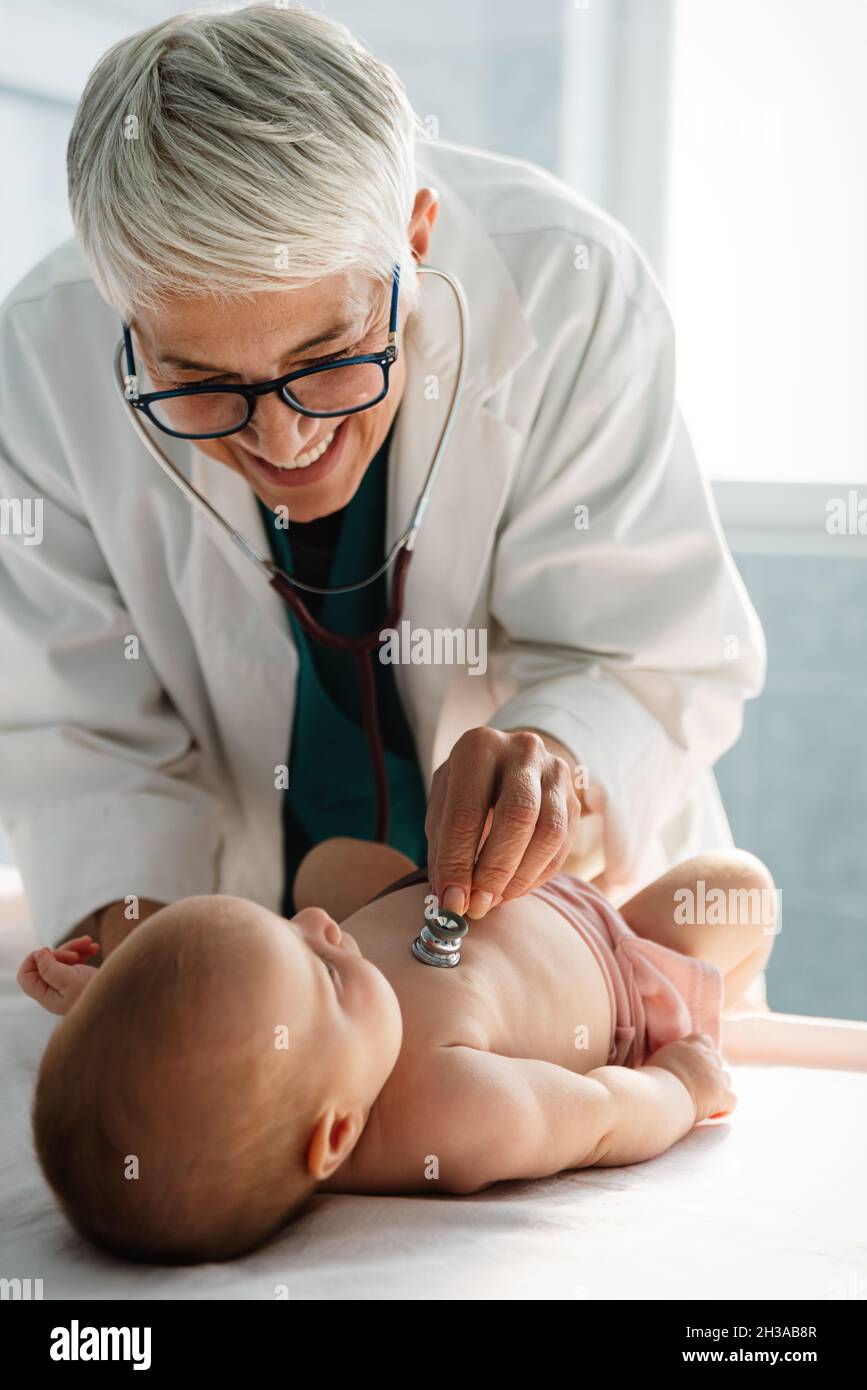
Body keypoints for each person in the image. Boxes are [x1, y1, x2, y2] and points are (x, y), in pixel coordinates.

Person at [0, 5, 765, 961]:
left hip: (562, 938)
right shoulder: (38, 357)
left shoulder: (572, 291)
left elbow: (651, 652)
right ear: (120, 315)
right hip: (245, 948)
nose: (285, 437)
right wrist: (163, 983)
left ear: (416, 238)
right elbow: (75, 735)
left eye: (329, 356)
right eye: (201, 383)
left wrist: (558, 761)